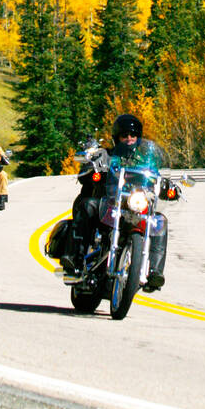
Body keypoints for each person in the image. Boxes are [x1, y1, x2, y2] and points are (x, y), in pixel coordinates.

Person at [62, 113, 168, 290]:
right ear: (116, 137)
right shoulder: (105, 155)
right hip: (108, 205)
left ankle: (154, 274)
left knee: (159, 221)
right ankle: (75, 258)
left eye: (133, 136)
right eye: (124, 135)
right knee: (88, 205)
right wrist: (92, 172)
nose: (129, 139)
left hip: (134, 208)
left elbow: (155, 176)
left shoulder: (143, 160)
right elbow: (87, 172)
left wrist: (168, 186)